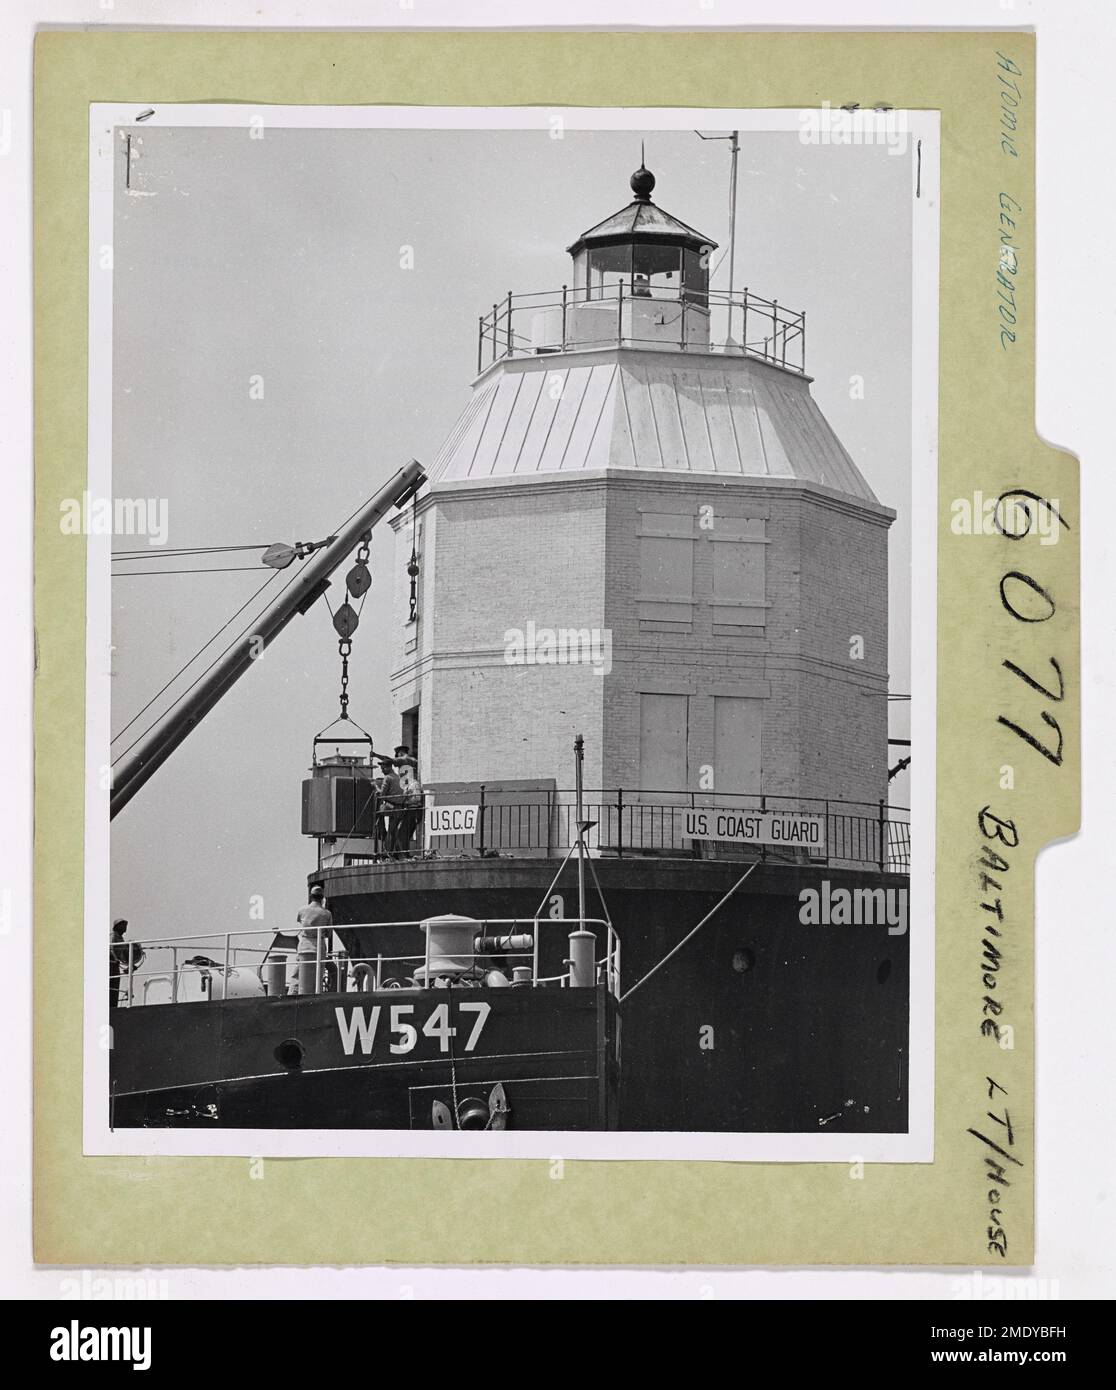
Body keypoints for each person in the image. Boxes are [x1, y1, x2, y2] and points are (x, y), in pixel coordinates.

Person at [290, 885, 332, 994]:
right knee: (318, 974)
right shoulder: (327, 914)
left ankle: (291, 995)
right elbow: (329, 934)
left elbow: (300, 921)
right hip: (318, 946)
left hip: (304, 945)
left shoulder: (302, 910)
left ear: (310, 896)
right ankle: (315, 995)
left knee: (298, 974)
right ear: (322, 898)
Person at [392, 747, 424, 857]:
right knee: (403, 833)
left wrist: (406, 800)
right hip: (410, 811)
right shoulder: (407, 785)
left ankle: (404, 855)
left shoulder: (413, 784)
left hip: (413, 811)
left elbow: (417, 799)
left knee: (403, 834)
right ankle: (403, 854)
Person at [109, 918, 145, 1009]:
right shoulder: (113, 936)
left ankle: (113, 1006)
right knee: (110, 983)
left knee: (115, 983)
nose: (125, 928)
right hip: (109, 963)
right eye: (123, 925)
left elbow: (123, 955)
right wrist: (116, 959)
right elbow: (112, 948)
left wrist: (131, 965)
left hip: (115, 964)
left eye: (126, 926)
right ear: (117, 926)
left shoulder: (121, 938)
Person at [375, 756, 405, 858]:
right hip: (399, 809)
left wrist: (375, 786)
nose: (382, 770)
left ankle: (388, 853)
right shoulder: (398, 777)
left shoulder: (387, 778)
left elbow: (382, 795)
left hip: (390, 808)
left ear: (388, 767)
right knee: (394, 831)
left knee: (389, 832)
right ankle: (395, 852)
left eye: (383, 768)